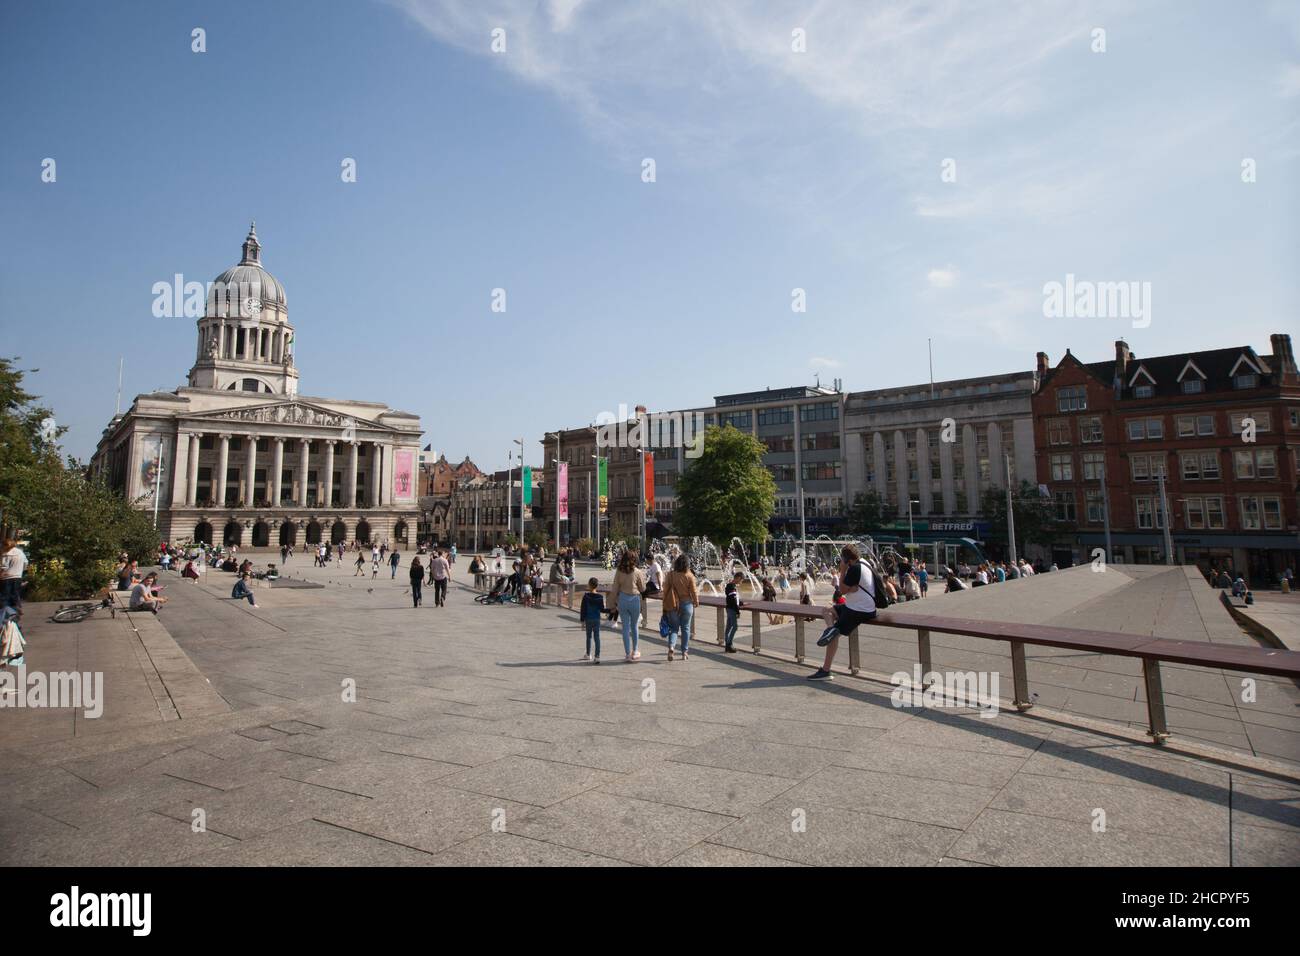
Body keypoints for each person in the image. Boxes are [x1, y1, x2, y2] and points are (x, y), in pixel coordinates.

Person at [811, 546, 879, 681]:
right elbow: (850, 589)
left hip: (858, 611)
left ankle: (825, 670)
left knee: (834, 636)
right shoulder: (864, 563)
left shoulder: (854, 569)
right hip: (862, 607)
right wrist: (851, 588)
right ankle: (831, 630)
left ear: (847, 560)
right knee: (827, 610)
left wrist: (843, 570)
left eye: (842, 559)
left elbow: (841, 590)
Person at [661, 555, 699, 661]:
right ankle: (684, 652)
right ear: (687, 564)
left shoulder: (671, 575)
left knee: (673, 628)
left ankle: (671, 647)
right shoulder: (689, 576)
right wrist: (696, 602)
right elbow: (694, 591)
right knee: (685, 628)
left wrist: (665, 603)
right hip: (687, 604)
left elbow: (665, 590)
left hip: (673, 605)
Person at [610, 550, 646, 661]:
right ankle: (635, 651)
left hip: (623, 600)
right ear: (634, 559)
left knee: (625, 627)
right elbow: (643, 589)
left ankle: (627, 653)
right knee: (634, 626)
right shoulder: (637, 572)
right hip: (634, 599)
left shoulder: (619, 571)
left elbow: (614, 588)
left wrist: (612, 603)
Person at [579, 577, 604, 662]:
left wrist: (582, 621)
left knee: (588, 637)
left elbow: (583, 609)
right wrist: (611, 610)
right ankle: (597, 656)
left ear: (589, 585)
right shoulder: (600, 597)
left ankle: (588, 654)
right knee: (597, 638)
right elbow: (602, 609)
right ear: (597, 586)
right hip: (597, 619)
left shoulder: (586, 596)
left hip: (588, 619)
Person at [2, 538, 28, 616]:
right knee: (15, 595)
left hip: (6, 578)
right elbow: (26, 563)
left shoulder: (6, 553)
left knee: (5, 598)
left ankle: (9, 615)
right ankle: (17, 608)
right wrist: (20, 571)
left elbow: (4, 567)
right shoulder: (20, 552)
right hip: (18, 577)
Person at [723, 571, 743, 653]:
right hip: (732, 609)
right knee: (735, 627)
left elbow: (733, 598)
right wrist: (737, 611)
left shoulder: (730, 586)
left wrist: (741, 603)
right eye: (741, 580)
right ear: (738, 578)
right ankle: (729, 644)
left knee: (728, 627)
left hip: (729, 608)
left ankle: (727, 646)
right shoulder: (731, 586)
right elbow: (733, 600)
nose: (741, 582)